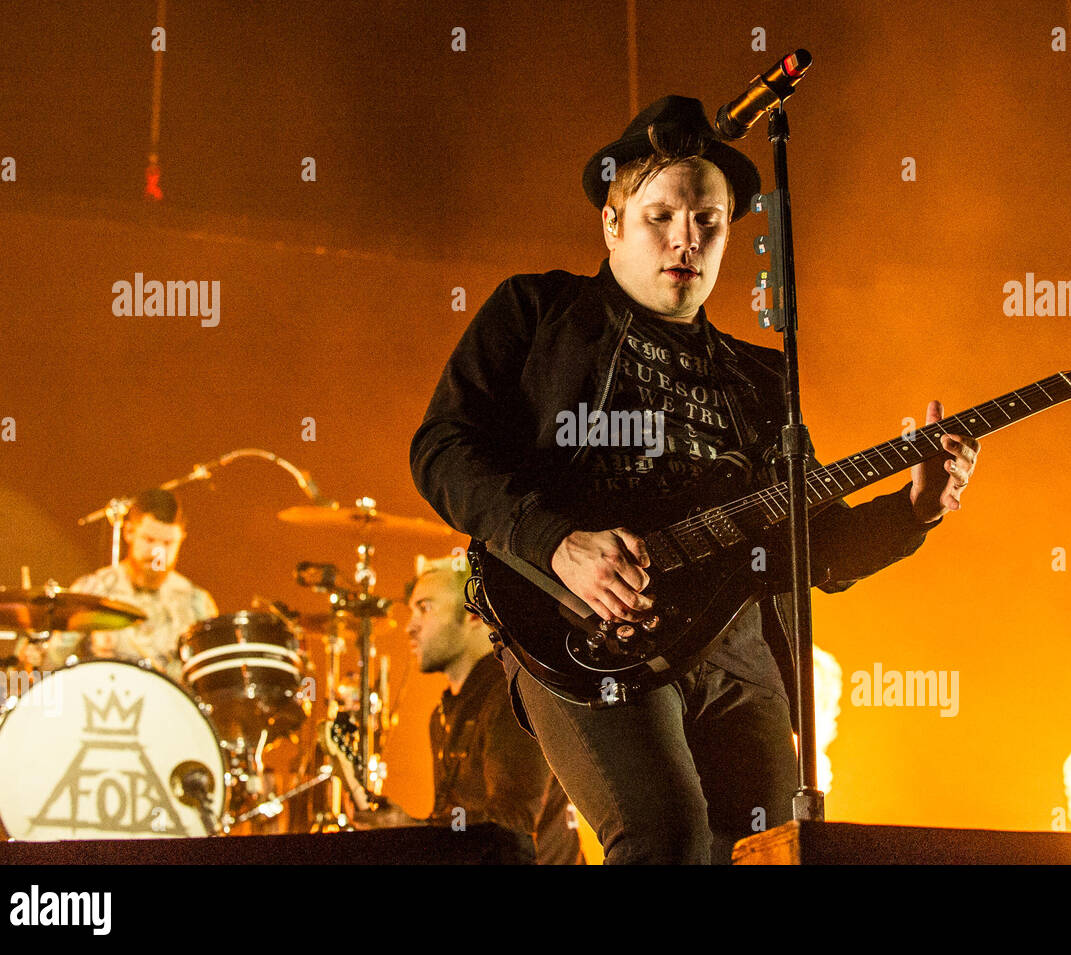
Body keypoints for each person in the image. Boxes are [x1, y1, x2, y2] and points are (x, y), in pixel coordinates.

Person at [409, 96, 981, 864]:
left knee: (767, 854)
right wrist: (559, 545)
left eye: (709, 221)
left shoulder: (761, 378)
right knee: (666, 838)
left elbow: (818, 550)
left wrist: (914, 510)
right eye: (660, 217)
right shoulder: (537, 311)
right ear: (612, 224)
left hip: (739, 649)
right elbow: (442, 449)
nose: (688, 239)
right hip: (582, 625)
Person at [351, 556, 584, 865]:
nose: (409, 627)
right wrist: (408, 829)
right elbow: (461, 831)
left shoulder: (511, 695)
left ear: (473, 615)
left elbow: (511, 825)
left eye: (425, 607)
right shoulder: (442, 714)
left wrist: (411, 829)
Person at [22, 488, 217, 683]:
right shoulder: (92, 591)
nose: (157, 552)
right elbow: (51, 666)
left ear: (181, 538)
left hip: (171, 709)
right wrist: (36, 656)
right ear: (129, 532)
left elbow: (212, 682)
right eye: (149, 540)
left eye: (167, 543)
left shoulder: (197, 603)